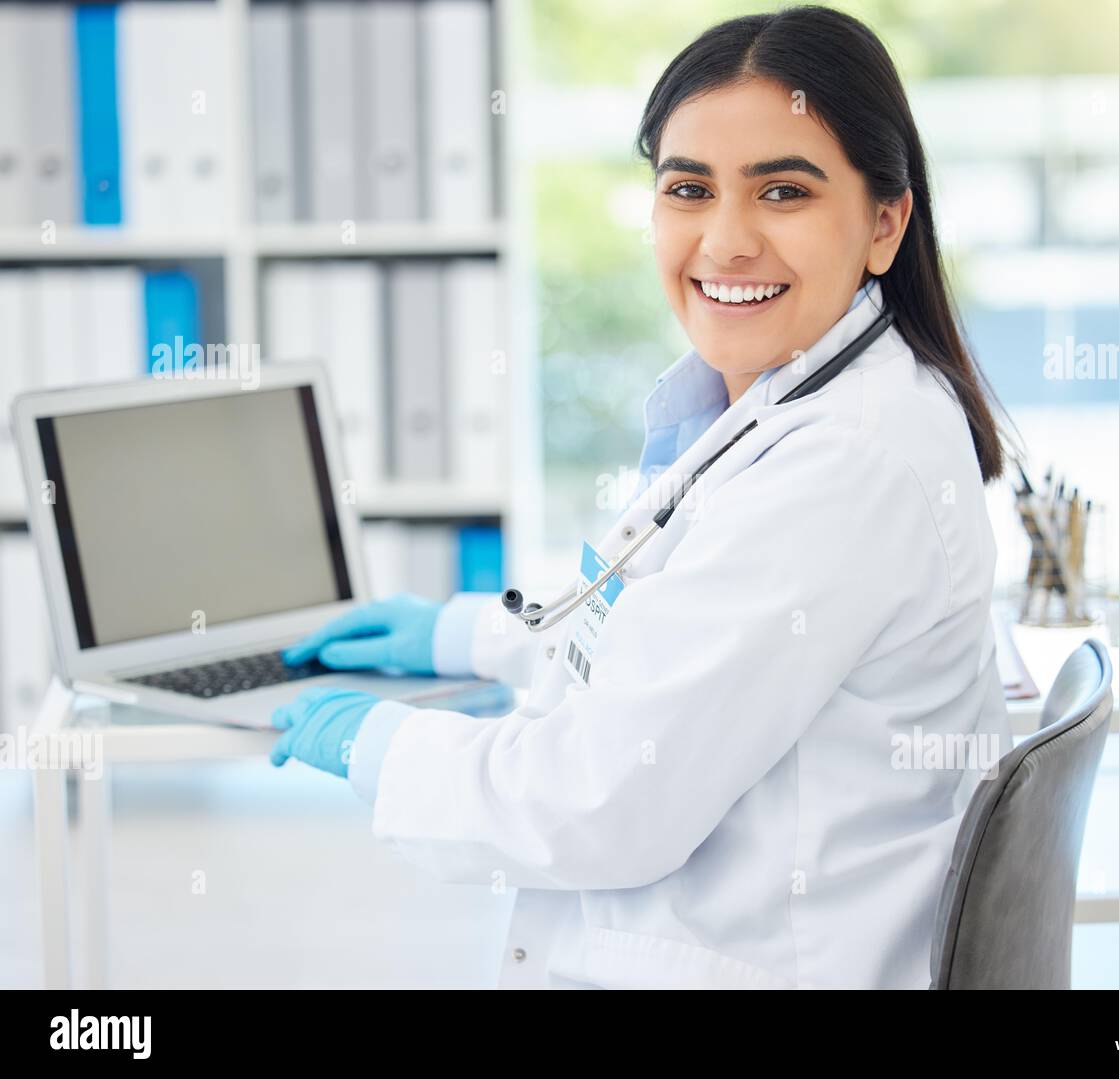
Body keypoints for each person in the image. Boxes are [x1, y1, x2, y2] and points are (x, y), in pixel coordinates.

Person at [270, 4, 1012, 989]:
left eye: (782, 191)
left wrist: (379, 741)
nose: (725, 240)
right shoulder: (791, 402)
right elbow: (656, 637)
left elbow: (597, 802)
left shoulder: (844, 463)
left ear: (885, 221)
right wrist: (461, 634)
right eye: (688, 190)